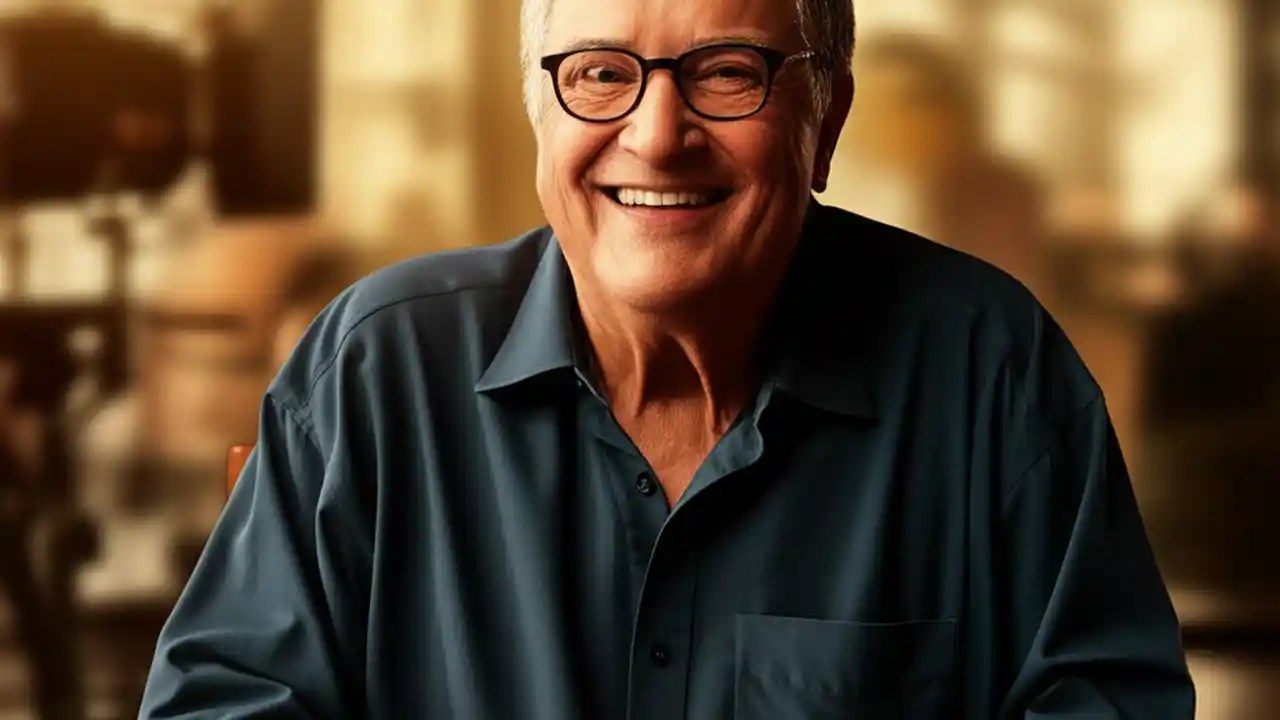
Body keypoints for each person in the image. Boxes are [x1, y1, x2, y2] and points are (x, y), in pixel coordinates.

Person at [140, 0, 1194, 717]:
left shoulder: (994, 375)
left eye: (727, 73)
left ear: (825, 117)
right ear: (538, 111)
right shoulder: (374, 371)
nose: (655, 135)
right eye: (600, 73)